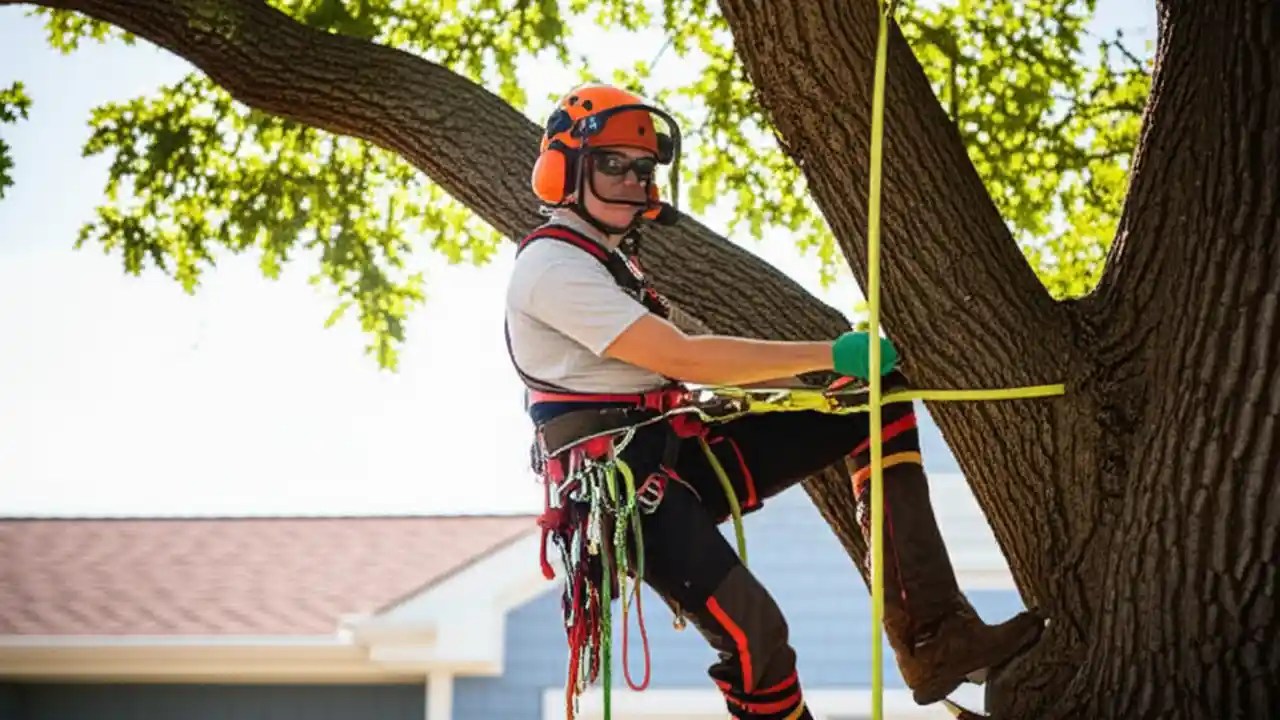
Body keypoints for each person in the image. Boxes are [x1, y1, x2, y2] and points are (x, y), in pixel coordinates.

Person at [504, 83, 1044, 720]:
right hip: (626, 485)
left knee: (868, 402)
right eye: (612, 165)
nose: (632, 180)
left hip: (677, 449)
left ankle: (935, 636)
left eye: (643, 169)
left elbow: (693, 367)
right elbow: (684, 357)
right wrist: (826, 354)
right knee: (758, 639)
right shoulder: (553, 267)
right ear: (564, 171)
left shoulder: (613, 263)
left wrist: (824, 383)